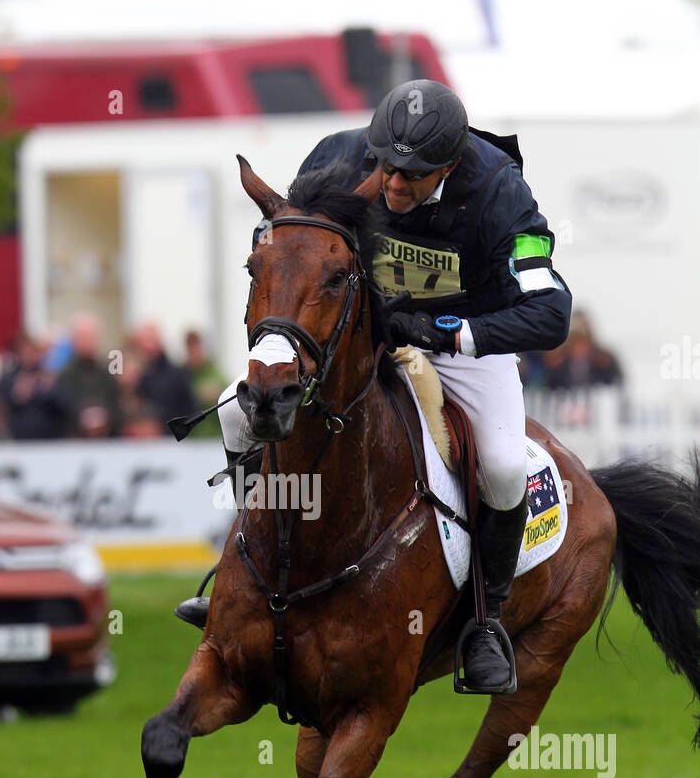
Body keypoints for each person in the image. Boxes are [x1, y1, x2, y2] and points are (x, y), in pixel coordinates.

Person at [177, 80, 572, 695]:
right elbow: (296, 247)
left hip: (464, 344)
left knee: (500, 466)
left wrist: (445, 329)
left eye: (411, 176)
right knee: (235, 414)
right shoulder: (339, 156)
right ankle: (241, 583)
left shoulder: (500, 192)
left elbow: (551, 314)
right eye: (386, 165)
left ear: (450, 163)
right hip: (360, 338)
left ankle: (486, 623)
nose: (391, 184)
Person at [56, 312, 123, 438]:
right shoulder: (65, 375)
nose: (86, 342)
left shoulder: (108, 373)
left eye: (90, 337)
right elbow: (62, 408)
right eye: (82, 337)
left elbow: (115, 404)